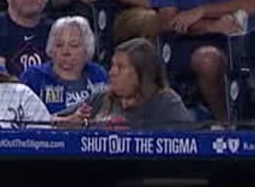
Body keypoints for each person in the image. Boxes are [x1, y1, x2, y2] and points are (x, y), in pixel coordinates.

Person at [55, 37, 194, 128]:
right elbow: (46, 122)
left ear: (142, 74)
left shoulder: (166, 103)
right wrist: (68, 122)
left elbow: (188, 144)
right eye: (112, 65)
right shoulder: (100, 99)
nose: (111, 72)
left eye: (120, 67)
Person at [20, 16, 110, 114]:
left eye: (74, 46)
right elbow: (24, 118)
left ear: (87, 49)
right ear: (51, 49)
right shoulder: (34, 77)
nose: (65, 52)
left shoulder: (98, 75)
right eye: (59, 45)